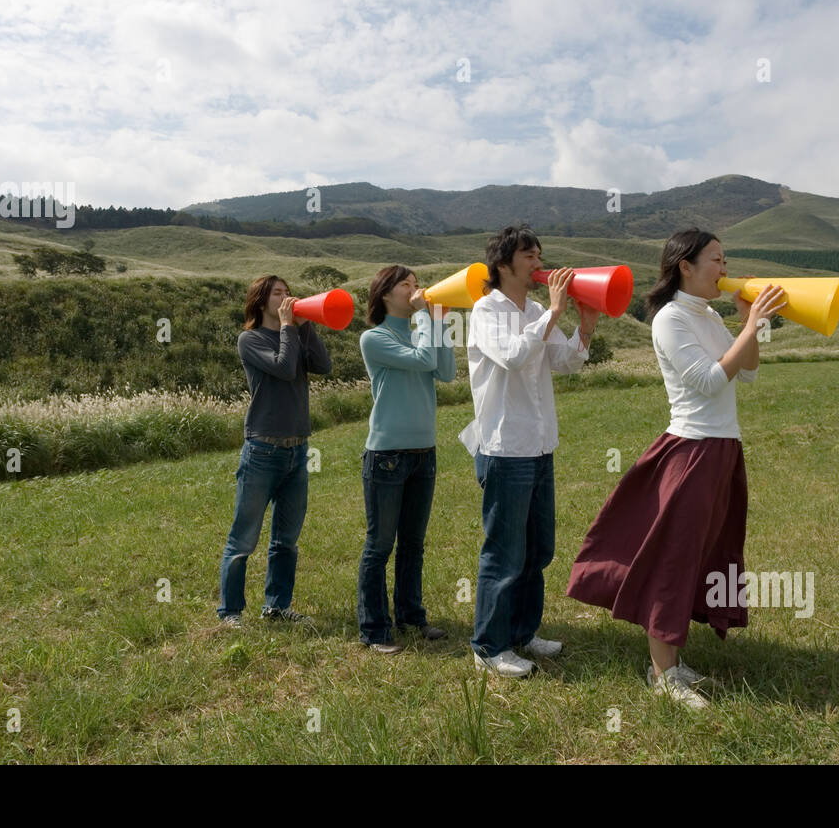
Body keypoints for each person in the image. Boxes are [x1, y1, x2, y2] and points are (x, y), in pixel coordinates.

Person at [566, 228, 784, 708]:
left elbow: (747, 371)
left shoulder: (706, 315)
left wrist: (749, 324)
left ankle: (673, 663)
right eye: (716, 260)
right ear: (685, 265)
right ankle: (663, 674)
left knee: (702, 553)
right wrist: (750, 327)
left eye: (725, 260)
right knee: (673, 559)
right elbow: (707, 381)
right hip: (691, 452)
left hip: (722, 449)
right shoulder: (669, 319)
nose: (724, 269)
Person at [461, 225, 599, 678]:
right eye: (528, 254)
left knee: (538, 548)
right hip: (505, 446)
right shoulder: (486, 309)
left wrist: (586, 323)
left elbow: (565, 363)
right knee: (504, 551)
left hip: (540, 445)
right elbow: (515, 356)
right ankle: (489, 646)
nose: (539, 261)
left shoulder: (538, 308)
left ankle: (522, 632)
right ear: (503, 264)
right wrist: (555, 312)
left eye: (540, 252)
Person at [217, 274, 332, 626]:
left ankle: (277, 607)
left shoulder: (293, 332)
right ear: (260, 300)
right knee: (244, 536)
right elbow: (283, 367)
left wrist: (305, 325)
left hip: (298, 450)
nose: (286, 297)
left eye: (287, 291)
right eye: (277, 293)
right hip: (262, 450)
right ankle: (230, 612)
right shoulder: (249, 339)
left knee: (286, 539)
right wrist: (288, 327)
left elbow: (324, 367)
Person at [356, 266, 457, 654]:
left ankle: (412, 617)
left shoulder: (423, 330)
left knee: (413, 544)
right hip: (387, 454)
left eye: (417, 285)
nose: (416, 290)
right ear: (384, 294)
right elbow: (421, 360)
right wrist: (427, 320)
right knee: (380, 545)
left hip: (423, 452)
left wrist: (437, 325)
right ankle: (375, 629)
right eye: (407, 285)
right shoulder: (374, 338)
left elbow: (445, 371)